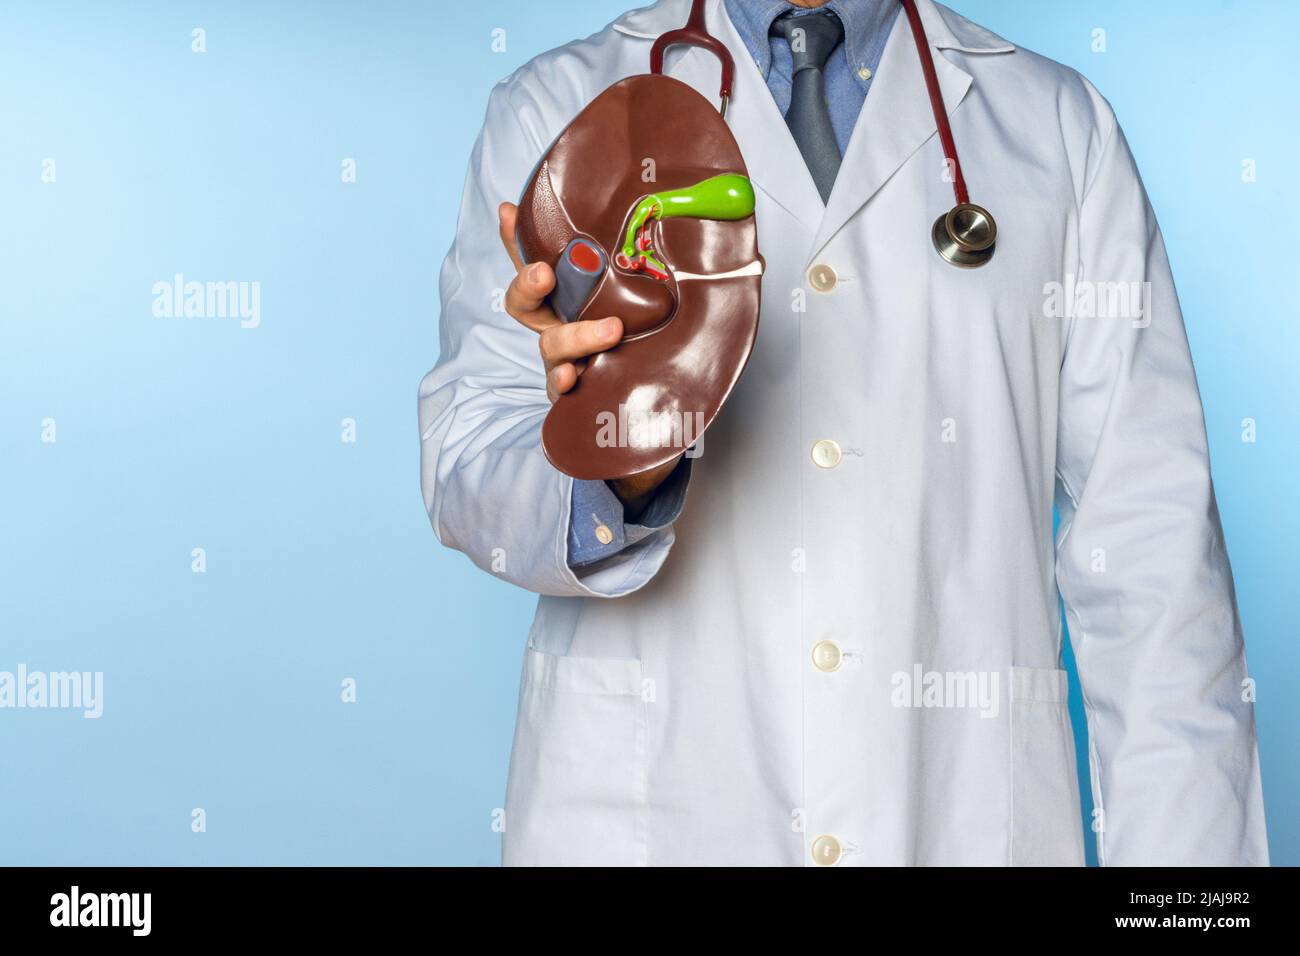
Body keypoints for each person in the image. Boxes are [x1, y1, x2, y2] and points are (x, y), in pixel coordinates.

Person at [418, 0, 1268, 866]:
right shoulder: (556, 106)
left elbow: (1151, 560)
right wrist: (624, 451)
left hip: (957, 812)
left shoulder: (1056, 126)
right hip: (653, 812)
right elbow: (465, 471)